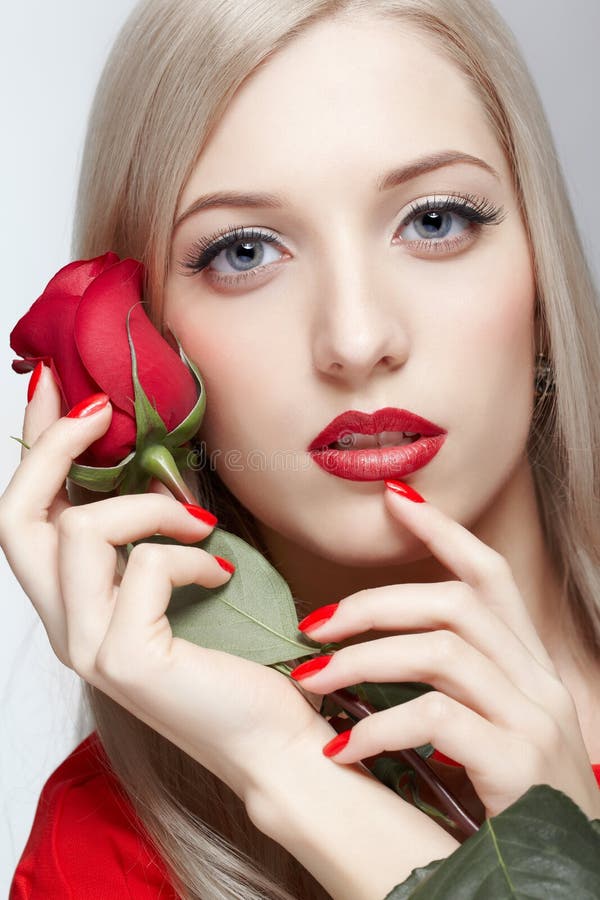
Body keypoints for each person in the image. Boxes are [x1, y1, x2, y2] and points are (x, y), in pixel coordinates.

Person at [3, 0, 600, 897]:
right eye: (244, 251)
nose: (356, 340)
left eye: (434, 221)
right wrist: (285, 768)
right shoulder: (103, 861)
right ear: (154, 329)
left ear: (541, 274)